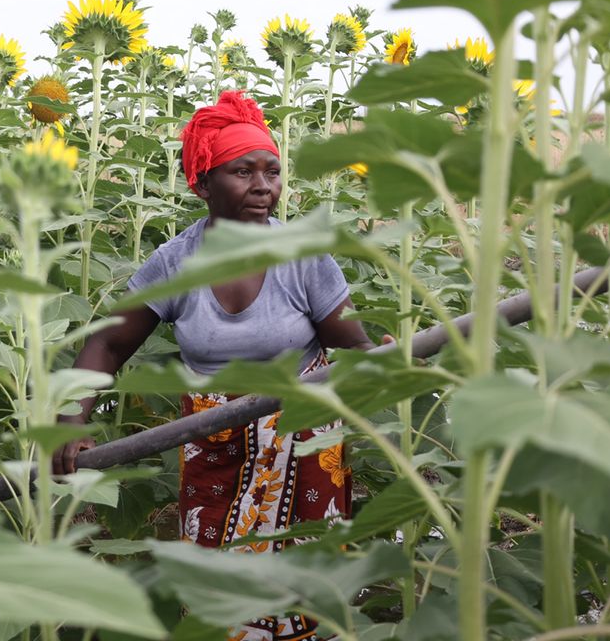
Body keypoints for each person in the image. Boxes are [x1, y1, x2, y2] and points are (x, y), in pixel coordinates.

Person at [54, 90, 379, 641]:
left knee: (309, 593)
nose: (263, 185)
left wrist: (389, 359)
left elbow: (350, 341)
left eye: (272, 171)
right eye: (243, 171)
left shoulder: (303, 254)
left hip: (301, 445)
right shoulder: (176, 263)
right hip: (215, 444)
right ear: (203, 184)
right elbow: (107, 345)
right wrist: (71, 421)